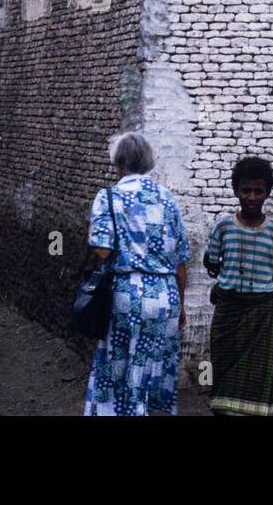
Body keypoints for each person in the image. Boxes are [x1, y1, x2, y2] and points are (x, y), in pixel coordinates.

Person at [83, 133, 190, 417]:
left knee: (121, 365)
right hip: (166, 295)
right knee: (151, 366)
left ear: (118, 162)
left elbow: (103, 250)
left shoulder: (109, 197)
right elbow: (181, 261)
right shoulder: (169, 200)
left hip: (127, 293)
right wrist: (181, 304)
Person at [203, 156, 273, 416]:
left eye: (258, 191)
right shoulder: (223, 226)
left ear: (267, 193)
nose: (252, 197)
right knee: (223, 362)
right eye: (246, 190)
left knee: (257, 368)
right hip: (228, 310)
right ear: (235, 191)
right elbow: (212, 263)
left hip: (260, 312)